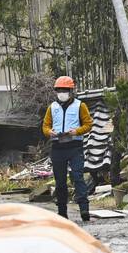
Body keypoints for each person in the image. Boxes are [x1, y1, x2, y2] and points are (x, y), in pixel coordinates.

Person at [42, 76, 93, 223]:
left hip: (74, 146)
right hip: (57, 147)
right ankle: (62, 212)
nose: (62, 92)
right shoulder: (52, 107)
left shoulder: (80, 106)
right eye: (59, 90)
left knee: (78, 177)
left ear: (71, 91)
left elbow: (88, 124)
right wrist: (49, 132)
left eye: (65, 90)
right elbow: (45, 126)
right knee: (60, 181)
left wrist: (76, 131)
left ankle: (84, 209)